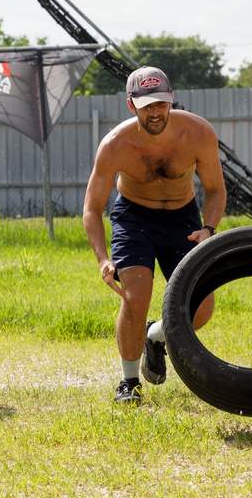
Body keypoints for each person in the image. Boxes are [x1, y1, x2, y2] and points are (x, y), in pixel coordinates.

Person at [81, 67, 227, 403]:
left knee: (202, 306)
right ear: (131, 104)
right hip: (134, 218)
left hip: (183, 218)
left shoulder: (198, 133)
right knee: (136, 295)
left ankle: (157, 335)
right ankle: (129, 382)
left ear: (171, 99)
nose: (156, 111)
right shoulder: (116, 144)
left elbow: (216, 190)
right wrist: (103, 259)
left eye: (161, 102)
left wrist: (208, 229)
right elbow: (92, 209)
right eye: (147, 104)